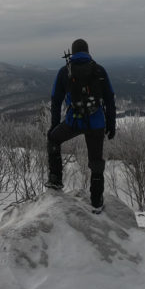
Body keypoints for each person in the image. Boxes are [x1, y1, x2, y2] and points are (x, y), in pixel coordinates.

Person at [45, 38, 116, 212]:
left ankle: (55, 180)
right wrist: (111, 123)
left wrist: (54, 125)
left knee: (53, 139)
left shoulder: (64, 71)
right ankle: (97, 201)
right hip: (96, 123)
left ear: (73, 52)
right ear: (87, 50)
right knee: (96, 162)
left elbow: (56, 100)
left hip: (73, 122)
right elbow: (109, 99)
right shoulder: (99, 70)